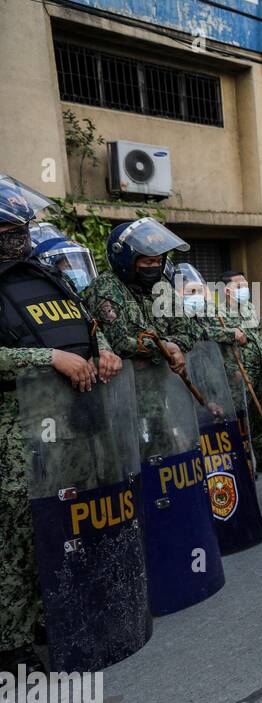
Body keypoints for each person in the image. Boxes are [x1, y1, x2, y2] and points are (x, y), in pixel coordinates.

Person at [0, 175, 120, 672]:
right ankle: (11, 645)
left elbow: (85, 323)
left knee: (59, 523)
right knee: (15, 538)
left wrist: (104, 349)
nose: (21, 237)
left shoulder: (46, 275)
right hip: (12, 431)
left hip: (68, 422)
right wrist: (47, 358)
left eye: (22, 228)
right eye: (10, 231)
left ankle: (49, 615)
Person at [82, 217, 198, 373]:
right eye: (148, 262)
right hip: (127, 380)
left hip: (161, 380)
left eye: (159, 261)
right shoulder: (106, 286)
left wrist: (168, 344)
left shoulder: (162, 286)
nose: (155, 267)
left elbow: (188, 333)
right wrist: (163, 347)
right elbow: (120, 343)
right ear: (126, 262)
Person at [219, 270, 262, 472]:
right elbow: (215, 337)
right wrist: (230, 333)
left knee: (260, 416)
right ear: (227, 291)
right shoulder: (219, 313)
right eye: (239, 286)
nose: (245, 290)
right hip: (239, 375)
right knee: (240, 419)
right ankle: (242, 462)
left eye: (246, 286)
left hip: (258, 371)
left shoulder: (249, 308)